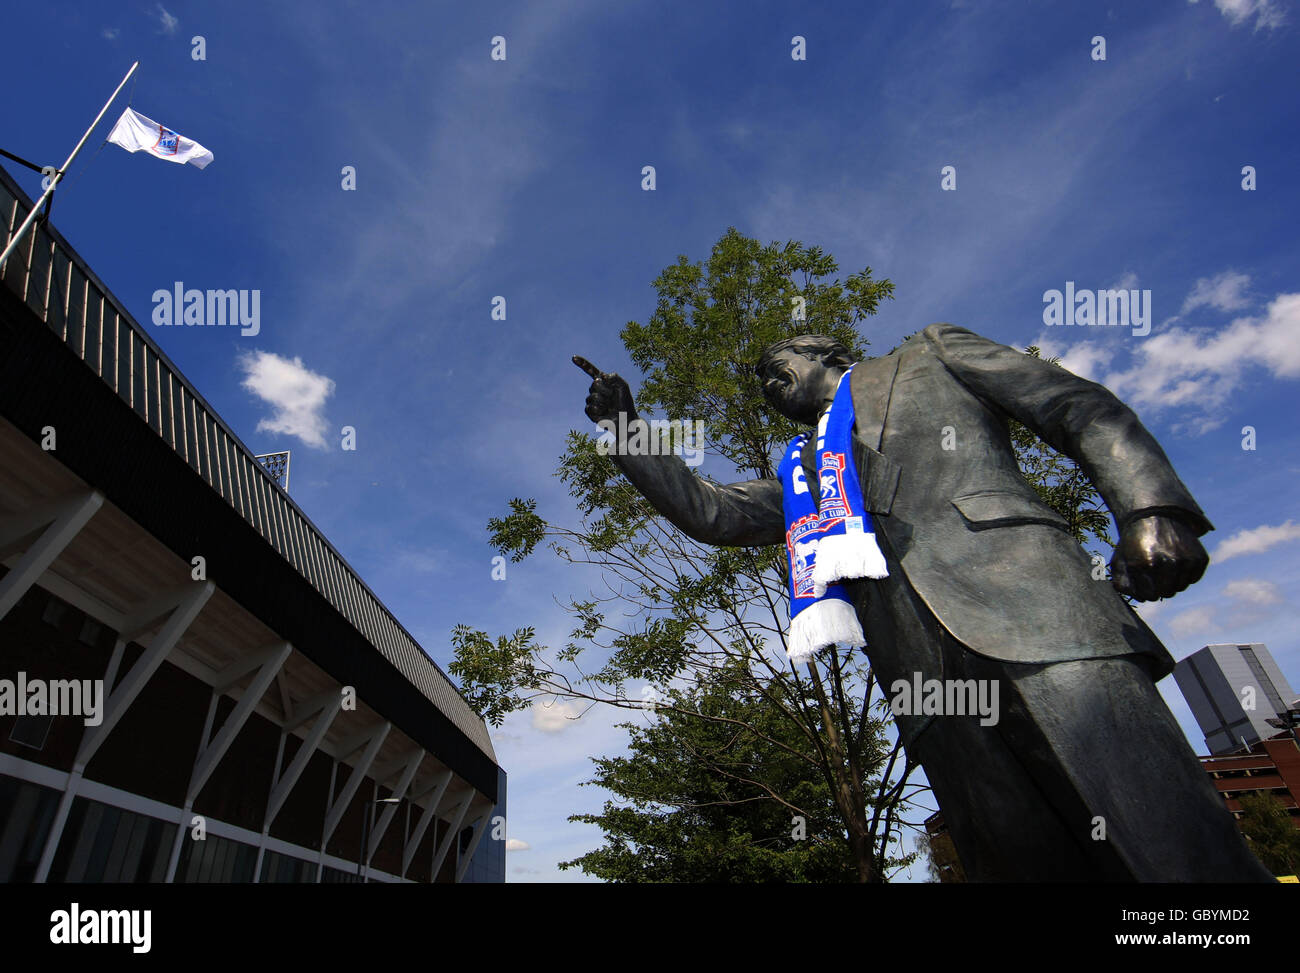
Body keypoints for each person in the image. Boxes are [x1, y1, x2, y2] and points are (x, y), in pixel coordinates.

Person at [574, 326, 1274, 881]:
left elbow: (1074, 404)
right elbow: (715, 513)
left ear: (827, 354)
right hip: (927, 683)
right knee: (1022, 860)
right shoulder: (801, 471)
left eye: (773, 362)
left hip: (1040, 618)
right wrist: (627, 431)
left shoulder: (931, 355)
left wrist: (1149, 506)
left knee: (1166, 836)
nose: (764, 381)